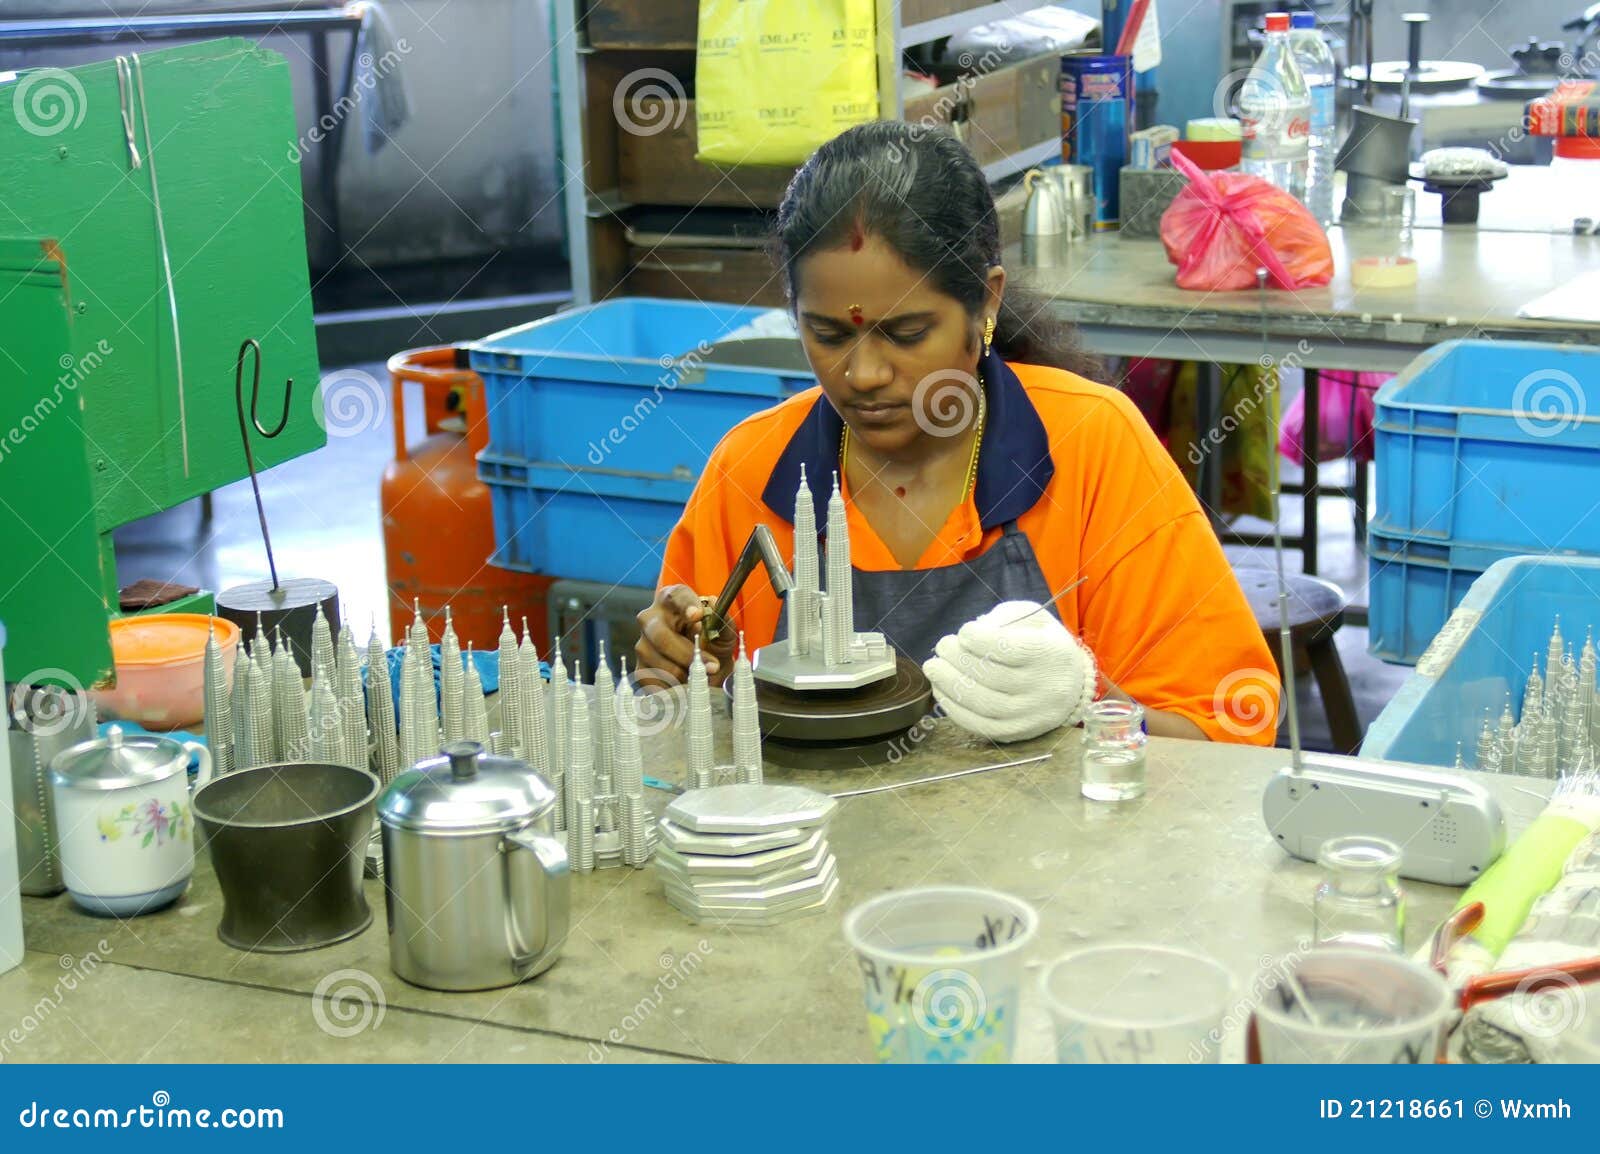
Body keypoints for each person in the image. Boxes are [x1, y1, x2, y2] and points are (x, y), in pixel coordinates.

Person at [635, 122, 1280, 745]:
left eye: (907, 333)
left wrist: (1089, 701)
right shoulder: (752, 469)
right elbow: (672, 726)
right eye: (828, 335)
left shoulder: (1091, 445)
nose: (863, 374)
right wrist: (682, 674)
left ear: (986, 301)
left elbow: (1228, 728)